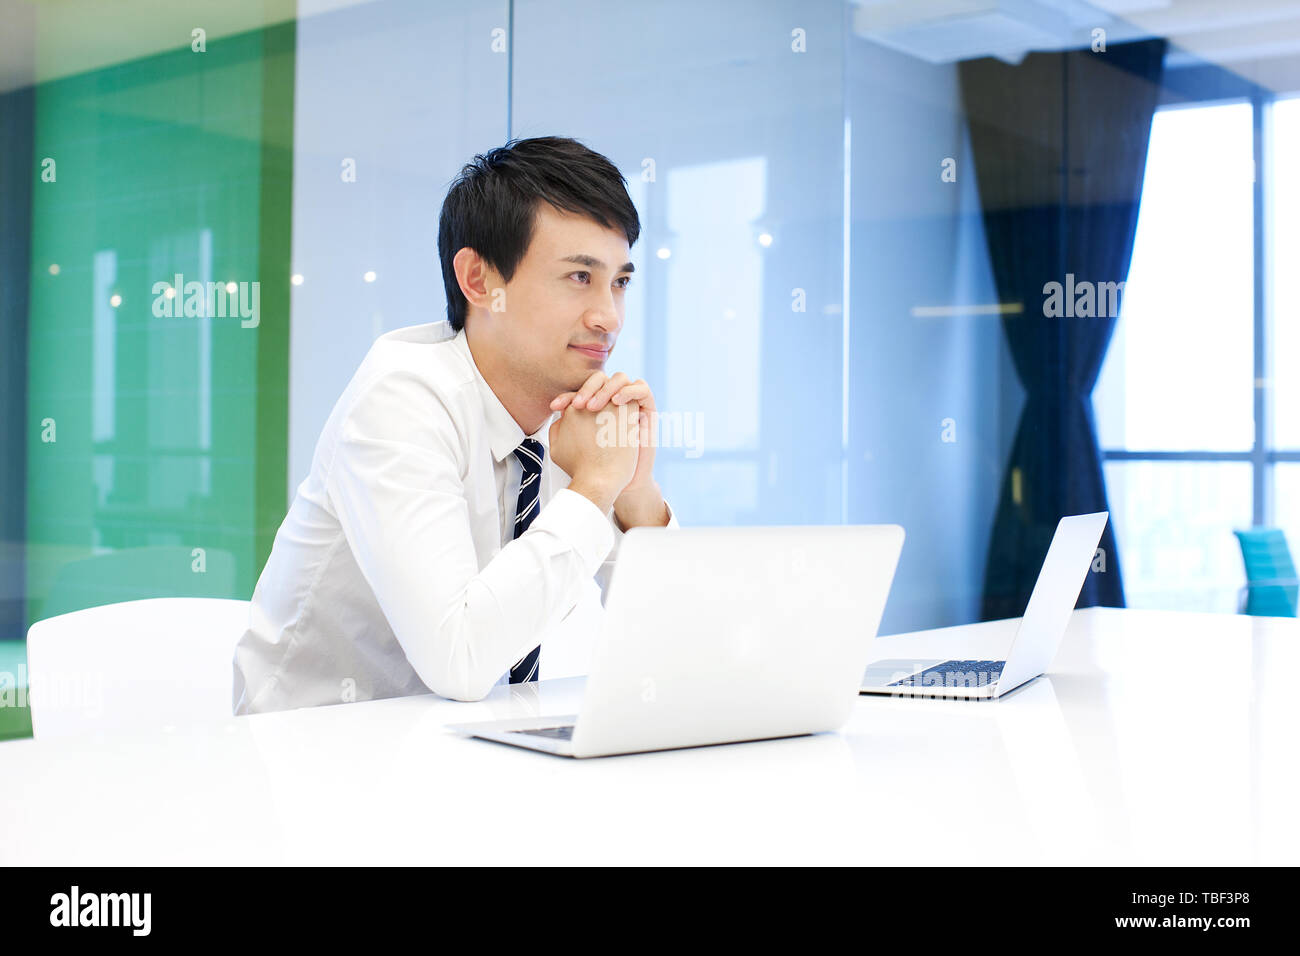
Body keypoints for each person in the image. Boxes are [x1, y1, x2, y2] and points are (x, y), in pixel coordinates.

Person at [232, 136, 677, 714]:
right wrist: (593, 489)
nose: (608, 318)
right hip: (311, 759)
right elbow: (460, 658)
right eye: (578, 278)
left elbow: (671, 647)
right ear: (477, 280)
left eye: (619, 281)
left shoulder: (573, 420)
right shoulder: (402, 398)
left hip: (473, 750)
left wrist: (634, 493)